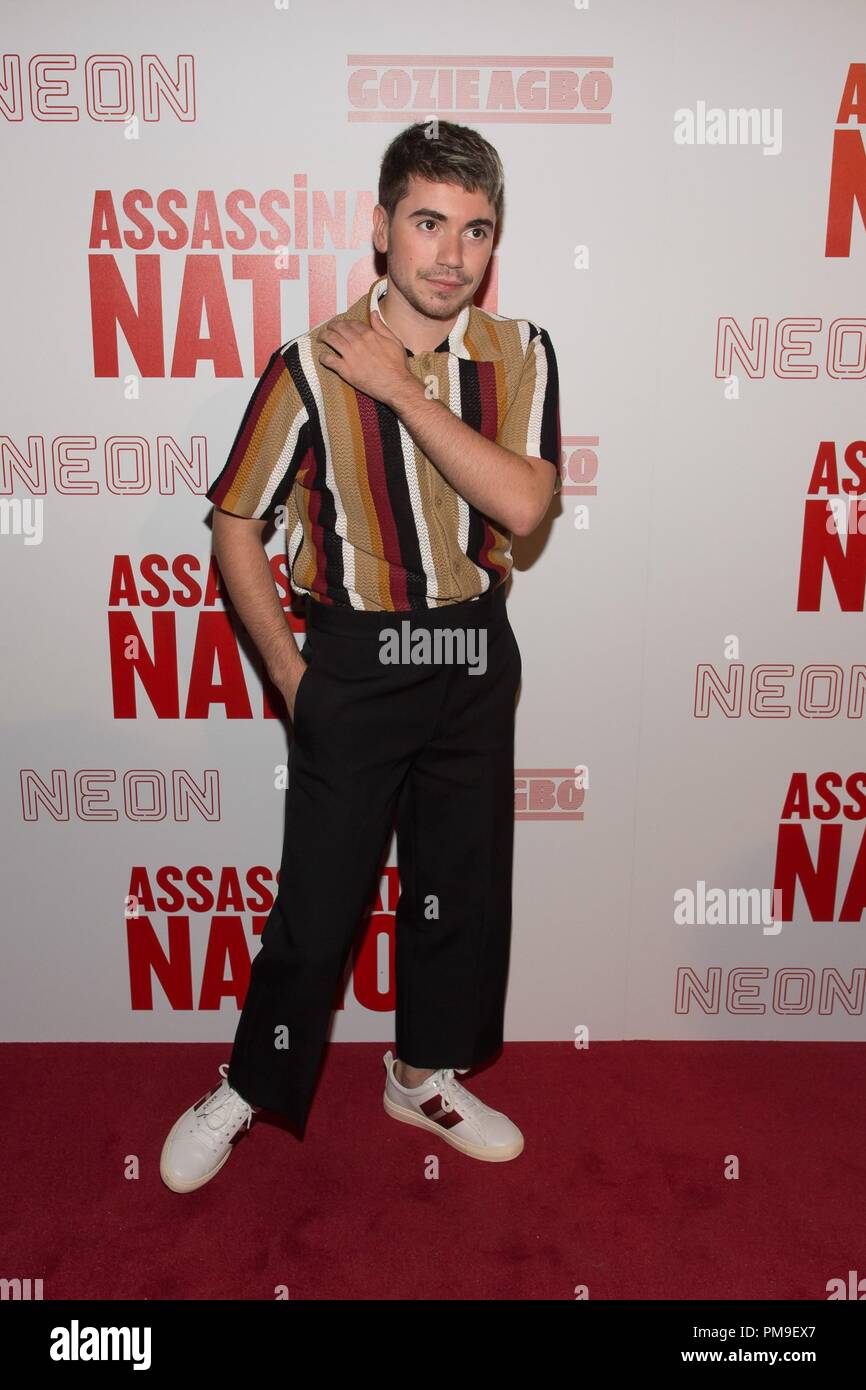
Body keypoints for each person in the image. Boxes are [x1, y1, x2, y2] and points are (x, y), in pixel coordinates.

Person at [160, 118, 561, 1193]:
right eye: (427, 223)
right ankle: (251, 1082)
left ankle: (420, 1071)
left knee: (459, 891)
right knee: (320, 903)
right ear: (380, 229)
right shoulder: (309, 363)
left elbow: (523, 504)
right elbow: (235, 522)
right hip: (357, 656)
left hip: (472, 653)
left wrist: (403, 392)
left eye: (475, 230)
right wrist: (295, 677)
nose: (450, 255)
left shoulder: (517, 353)